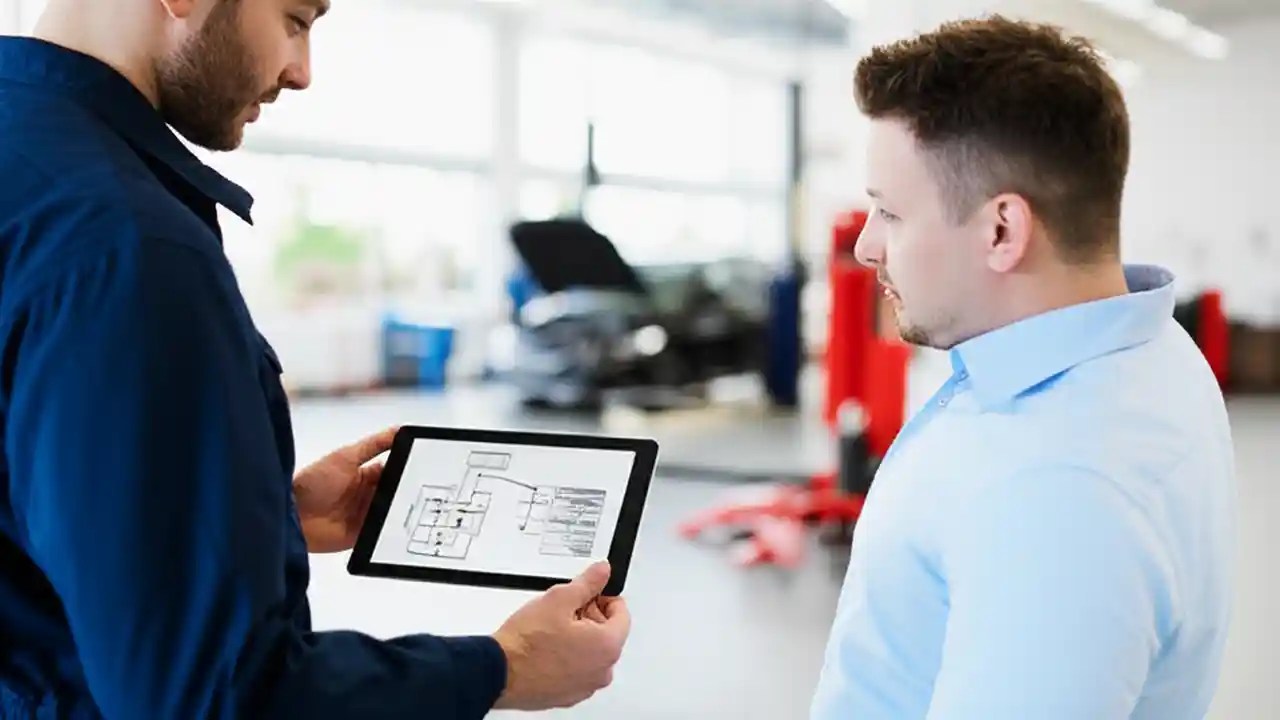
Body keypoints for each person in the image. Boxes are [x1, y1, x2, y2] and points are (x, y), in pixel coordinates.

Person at [0, 0, 630, 717]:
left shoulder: (26, 166)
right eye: (296, 19)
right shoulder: (131, 246)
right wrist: (504, 666)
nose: (301, 72)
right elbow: (210, 697)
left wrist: (256, 518)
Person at [811, 16, 1235, 720]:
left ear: (1002, 229)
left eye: (889, 212)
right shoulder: (1150, 348)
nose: (865, 245)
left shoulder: (1057, 491)